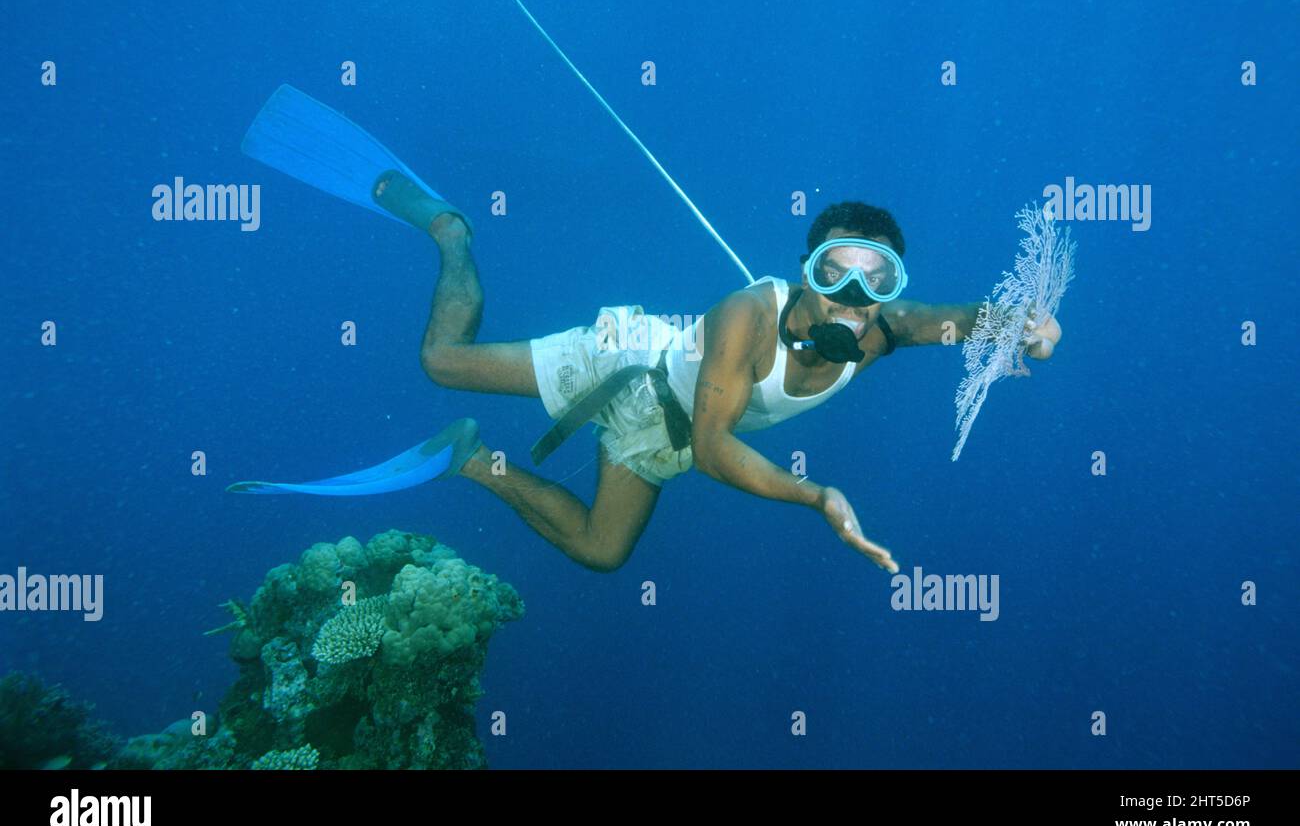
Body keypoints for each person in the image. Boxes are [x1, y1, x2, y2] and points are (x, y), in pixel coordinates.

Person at [378, 176, 1063, 575]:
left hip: (662, 437)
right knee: (442, 362)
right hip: (626, 366)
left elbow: (964, 318)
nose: (854, 290)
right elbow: (713, 447)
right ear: (806, 270)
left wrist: (1026, 325)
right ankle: (451, 232)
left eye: (876, 275)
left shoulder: (885, 331)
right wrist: (816, 494)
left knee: (601, 550)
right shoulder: (746, 317)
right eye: (835, 269)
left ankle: (470, 457)